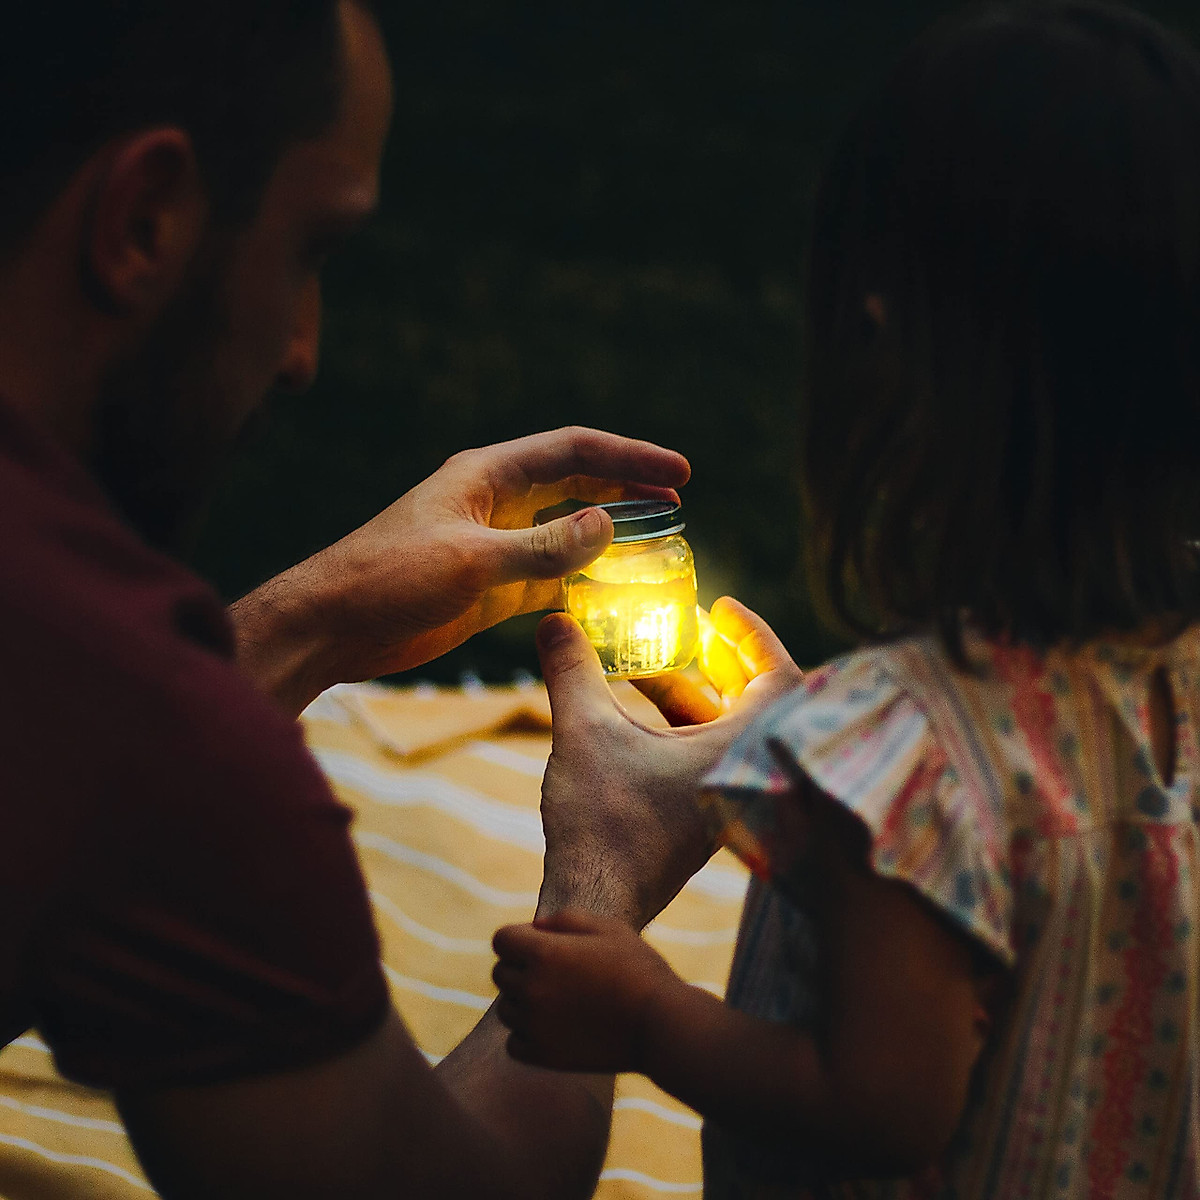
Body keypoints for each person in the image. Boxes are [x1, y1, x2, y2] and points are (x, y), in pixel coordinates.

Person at [0, 1, 804, 1196]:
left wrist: (313, 618)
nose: (304, 352)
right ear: (144, 219)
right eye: (311, 251)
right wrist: (602, 886)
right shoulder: (140, 725)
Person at [492, 4, 1200, 1197]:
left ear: (875, 350)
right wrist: (820, 746)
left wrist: (643, 1010)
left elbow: (881, 1106)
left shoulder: (909, 754)